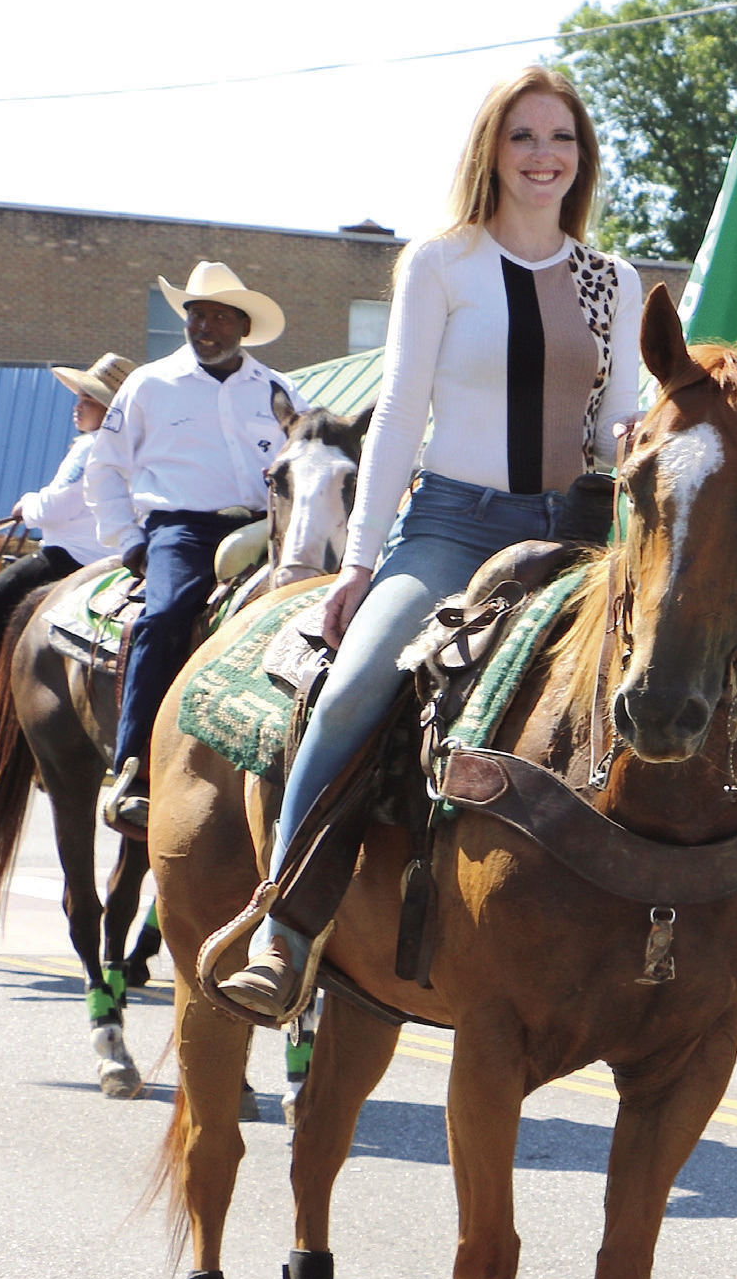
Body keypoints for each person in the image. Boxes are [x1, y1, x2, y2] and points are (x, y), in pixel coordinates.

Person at [215, 64, 643, 1016]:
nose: (544, 156)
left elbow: (621, 421)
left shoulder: (613, 281)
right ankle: (285, 930)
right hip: (454, 525)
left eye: (561, 138)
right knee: (351, 692)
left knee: (681, 692)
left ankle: (699, 947)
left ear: (584, 157)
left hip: (575, 537)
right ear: (492, 149)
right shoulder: (440, 262)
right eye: (524, 137)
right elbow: (399, 414)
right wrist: (361, 561)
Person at [84, 263, 302, 837]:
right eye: (197, 314)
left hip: (266, 528)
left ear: (242, 325)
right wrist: (129, 541)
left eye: (219, 316)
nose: (205, 326)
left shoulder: (278, 389)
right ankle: (135, 771)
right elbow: (104, 468)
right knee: (165, 616)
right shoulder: (150, 384)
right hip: (183, 529)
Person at [0, 352, 133, 775]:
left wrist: (28, 504)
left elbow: (57, 508)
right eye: (79, 396)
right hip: (118, 565)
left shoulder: (89, 447)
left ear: (110, 409)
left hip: (65, 560)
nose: (77, 405)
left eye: (88, 399)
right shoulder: (134, 450)